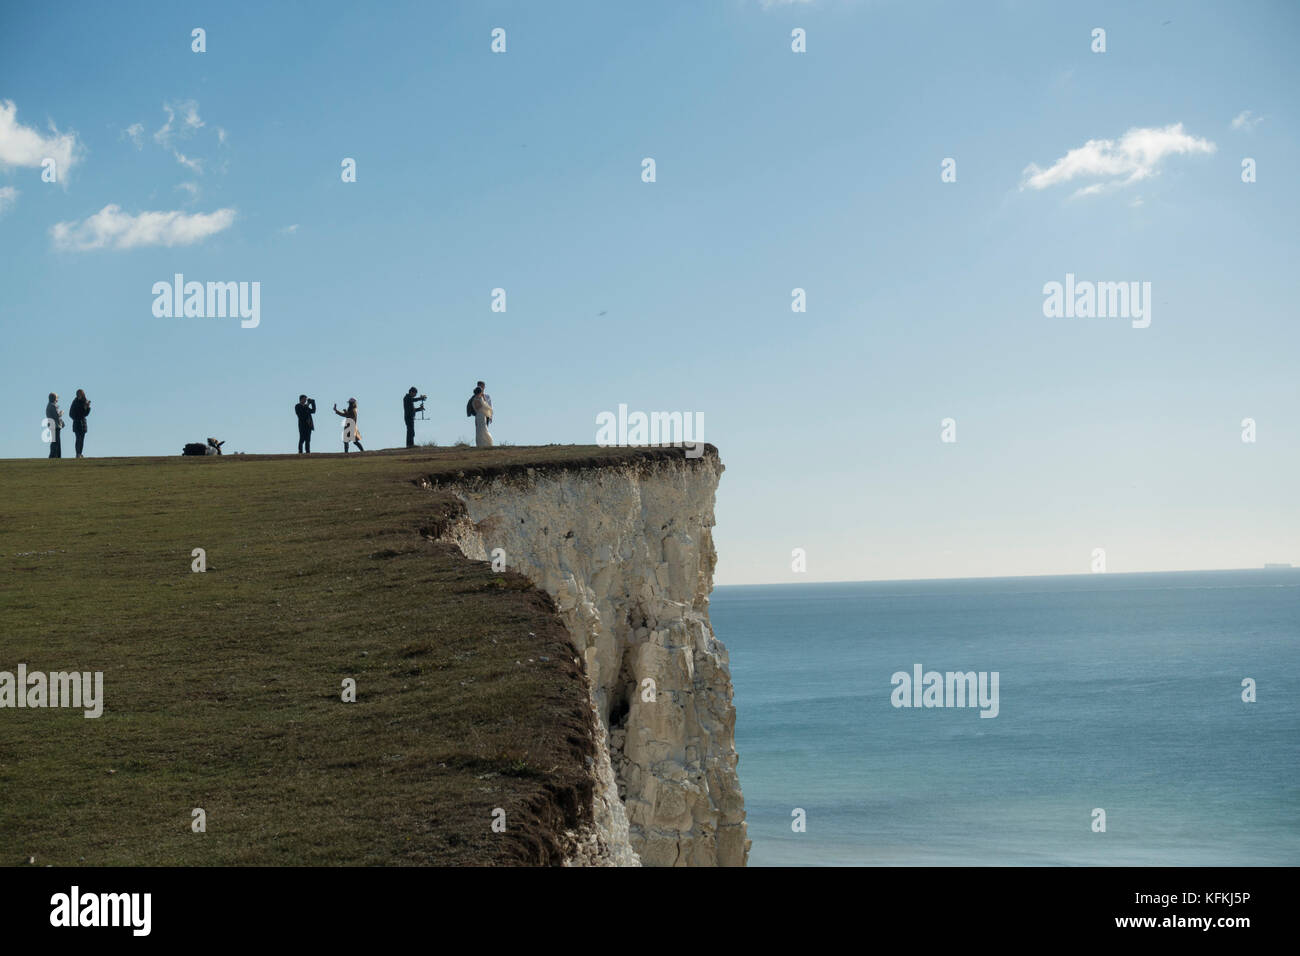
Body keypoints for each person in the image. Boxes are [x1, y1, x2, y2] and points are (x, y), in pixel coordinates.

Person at [68, 389, 90, 458]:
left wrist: (88, 407)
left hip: (83, 423)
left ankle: (80, 453)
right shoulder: (75, 402)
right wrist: (76, 418)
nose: (79, 395)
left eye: (80, 394)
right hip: (77, 423)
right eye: (78, 394)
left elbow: (85, 414)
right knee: (78, 438)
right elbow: (71, 413)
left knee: (82, 439)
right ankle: (78, 453)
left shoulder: (84, 401)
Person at [45, 392, 64, 458]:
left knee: (55, 441)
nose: (57, 400)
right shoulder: (52, 406)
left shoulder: (49, 405)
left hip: (52, 425)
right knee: (56, 442)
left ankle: (55, 455)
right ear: (54, 399)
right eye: (56, 398)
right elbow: (57, 416)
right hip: (55, 426)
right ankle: (54, 456)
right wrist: (61, 413)